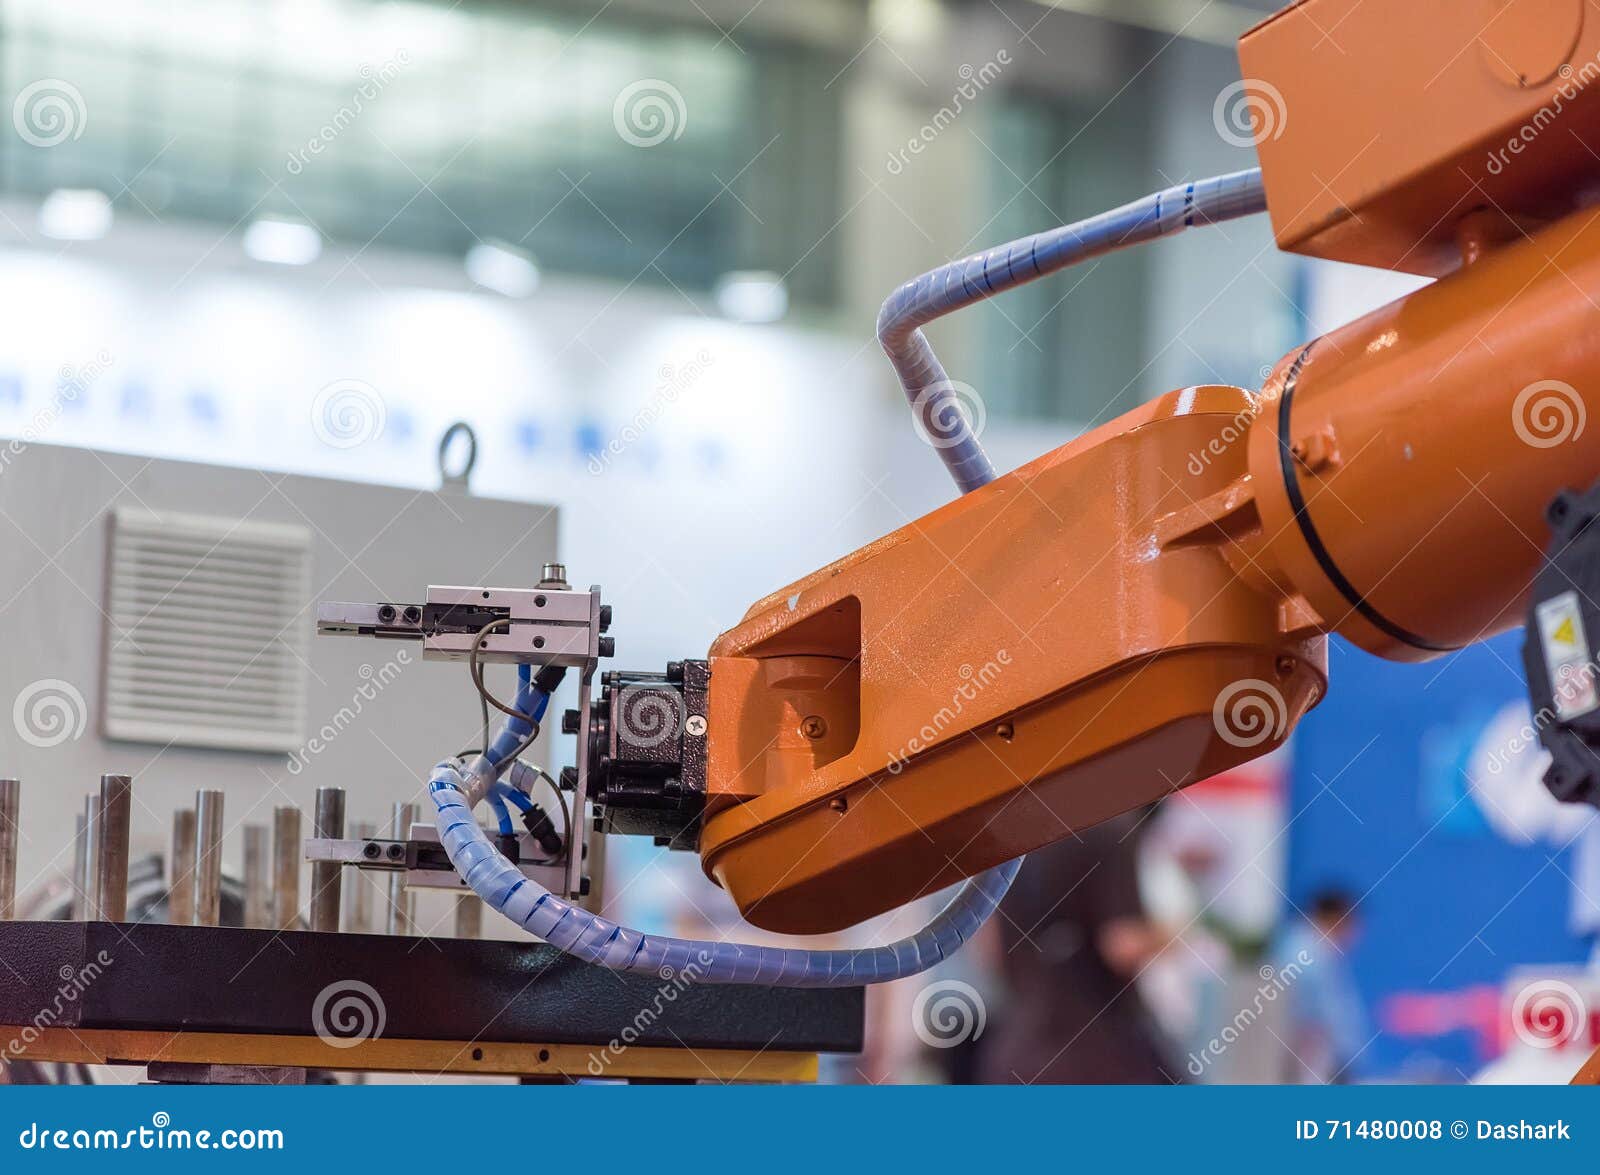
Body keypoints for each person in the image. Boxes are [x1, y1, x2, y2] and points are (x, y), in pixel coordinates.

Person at [978, 808, 1177, 1083]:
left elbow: (987, 946)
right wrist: (1178, 932)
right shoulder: (1110, 826)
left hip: (1018, 1052)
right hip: (1100, 1053)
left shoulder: (1010, 832)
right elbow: (1121, 945)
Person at [1273, 888, 1370, 1083]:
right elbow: (1323, 1018)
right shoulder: (1308, 955)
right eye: (1352, 924)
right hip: (1310, 1066)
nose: (1355, 934)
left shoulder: (1309, 949)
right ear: (1337, 918)